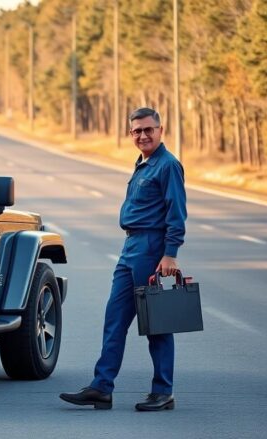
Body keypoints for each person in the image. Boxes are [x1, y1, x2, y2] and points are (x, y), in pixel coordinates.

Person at [60, 107, 187, 411]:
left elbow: (176, 213)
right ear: (131, 134)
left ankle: (163, 391)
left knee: (156, 323)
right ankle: (102, 387)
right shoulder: (143, 164)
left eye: (148, 130)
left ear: (160, 130)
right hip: (130, 248)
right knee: (114, 320)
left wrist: (170, 253)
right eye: (136, 131)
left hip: (151, 249)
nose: (143, 135)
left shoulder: (168, 165)